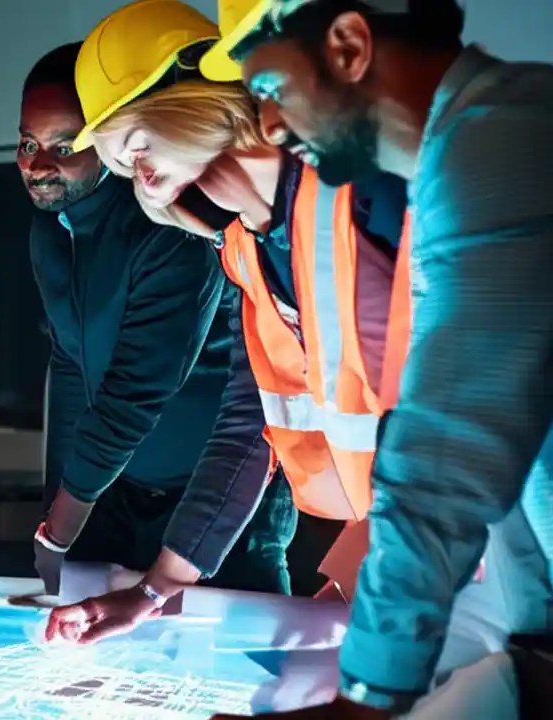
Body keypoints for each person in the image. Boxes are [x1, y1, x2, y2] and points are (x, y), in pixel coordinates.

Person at [201, 1, 553, 717]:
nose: (267, 126)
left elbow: (448, 450)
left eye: (269, 91)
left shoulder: (501, 138)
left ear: (349, 44)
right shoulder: (464, 154)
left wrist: (368, 696)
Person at [43, 0, 410, 645]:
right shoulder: (246, 250)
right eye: (122, 164)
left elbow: (448, 433)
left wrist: (383, 588)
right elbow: (249, 430)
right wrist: (154, 591)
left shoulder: (363, 204)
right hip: (414, 554)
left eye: (137, 145)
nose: (141, 177)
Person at [18, 42, 297, 600]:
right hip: (121, 494)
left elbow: (140, 391)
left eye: (65, 144)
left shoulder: (174, 227)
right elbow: (72, 369)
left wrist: (60, 529)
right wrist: (62, 508)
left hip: (221, 496)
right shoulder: (52, 231)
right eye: (27, 143)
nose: (39, 163)